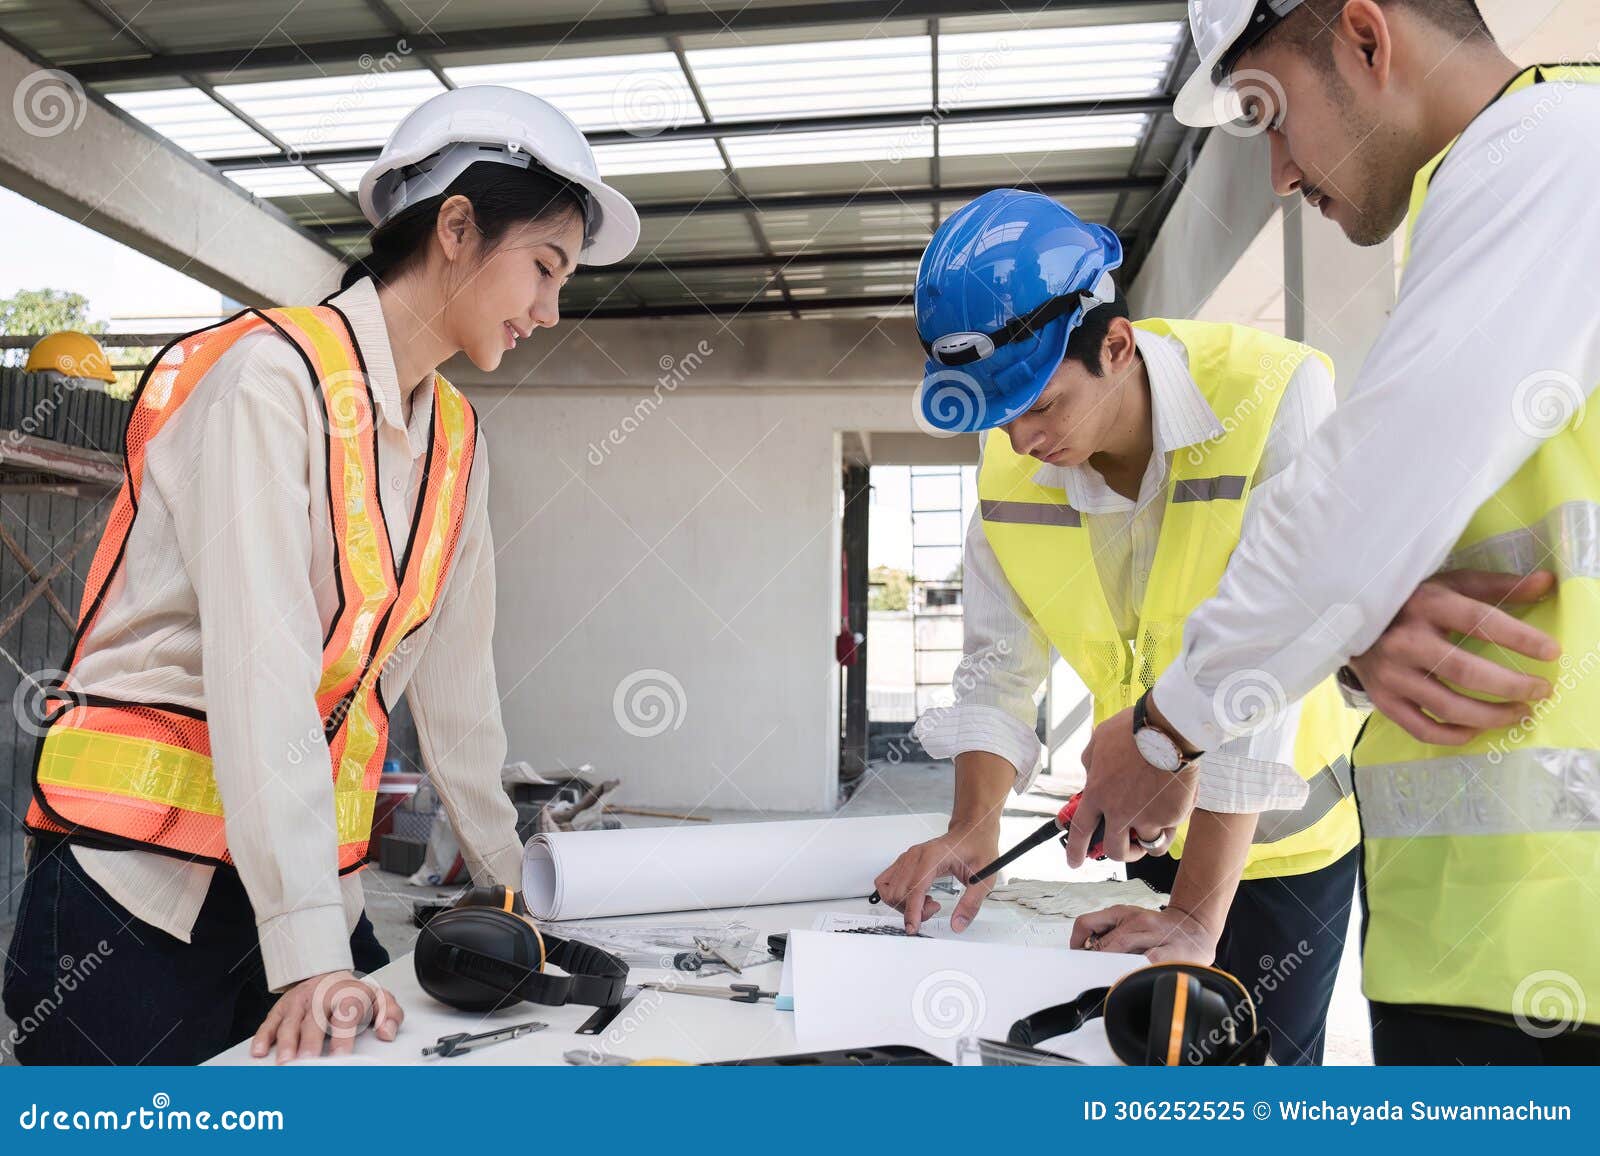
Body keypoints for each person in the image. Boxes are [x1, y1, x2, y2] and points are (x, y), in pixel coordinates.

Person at [2, 85, 640, 1065]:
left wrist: (523, 895)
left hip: (308, 891)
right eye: (545, 268)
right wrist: (306, 956)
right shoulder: (270, 382)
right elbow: (265, 668)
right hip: (133, 895)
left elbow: (460, 702)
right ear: (459, 228)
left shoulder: (458, 441)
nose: (550, 311)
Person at [1072, 0, 1600, 1062]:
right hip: (1470, 948)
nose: (1277, 173)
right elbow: (1445, 534)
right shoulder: (1492, 190)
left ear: (1365, 36)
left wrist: (1166, 728)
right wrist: (1360, 645)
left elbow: (1370, 487)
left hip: (1561, 955)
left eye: (1270, 115)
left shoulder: (1553, 155)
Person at [874, 189, 1362, 1064]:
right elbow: (997, 670)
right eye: (997, 413)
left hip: (1287, 847)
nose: (1021, 440)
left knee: (1263, 1094)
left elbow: (1274, 657)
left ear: (1116, 345)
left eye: (1041, 404)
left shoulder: (1277, 393)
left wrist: (1198, 917)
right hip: (1150, 823)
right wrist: (973, 827)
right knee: (1151, 1083)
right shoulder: (1009, 463)